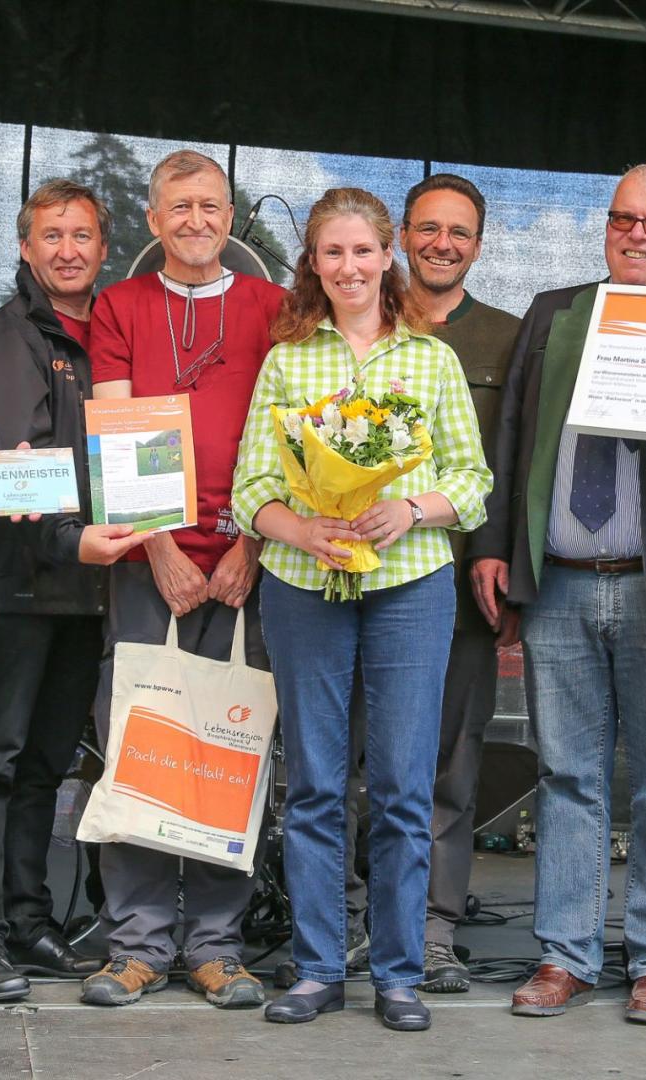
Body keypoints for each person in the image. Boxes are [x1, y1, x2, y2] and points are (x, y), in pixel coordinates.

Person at [468, 164, 646, 1026]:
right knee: (567, 775)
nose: (636, 234)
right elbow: (509, 435)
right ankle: (565, 954)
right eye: (624, 218)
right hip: (558, 582)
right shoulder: (554, 313)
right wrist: (493, 548)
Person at [232, 186, 491, 1032]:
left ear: (389, 257)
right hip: (304, 585)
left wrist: (411, 509)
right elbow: (251, 489)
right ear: (313, 263)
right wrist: (301, 529)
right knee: (314, 784)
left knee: (403, 786)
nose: (349, 267)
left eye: (363, 251)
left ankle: (398, 974)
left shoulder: (432, 359)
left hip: (409, 584)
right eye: (332, 252)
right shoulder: (286, 360)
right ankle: (316, 969)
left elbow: (472, 481)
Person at [80, 150, 284, 1010]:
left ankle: (214, 946)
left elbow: (289, 430)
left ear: (229, 218)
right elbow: (119, 423)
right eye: (180, 207)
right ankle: (136, 946)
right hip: (148, 562)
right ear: (154, 220)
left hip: (248, 561)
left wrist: (252, 547)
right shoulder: (120, 305)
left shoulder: (272, 306)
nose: (196, 220)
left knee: (229, 751)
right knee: (142, 746)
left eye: (210, 206)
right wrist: (159, 545)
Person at [0, 180, 149, 1001]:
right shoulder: (10, 332)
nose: (68, 250)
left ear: (104, 248)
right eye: (51, 236)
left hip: (83, 585)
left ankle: (28, 923)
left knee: (44, 767)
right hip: (13, 580)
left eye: (82, 235)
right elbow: (16, 456)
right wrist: (73, 540)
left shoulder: (111, 336)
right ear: (25, 248)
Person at [397, 174, 522, 992]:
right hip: (357, 585)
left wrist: (501, 557)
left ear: (478, 245)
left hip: (459, 592)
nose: (443, 244)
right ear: (403, 235)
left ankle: (433, 929)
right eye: (429, 228)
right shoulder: (360, 320)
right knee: (356, 765)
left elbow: (513, 463)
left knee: (450, 764)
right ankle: (355, 918)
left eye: (460, 232)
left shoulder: (508, 339)